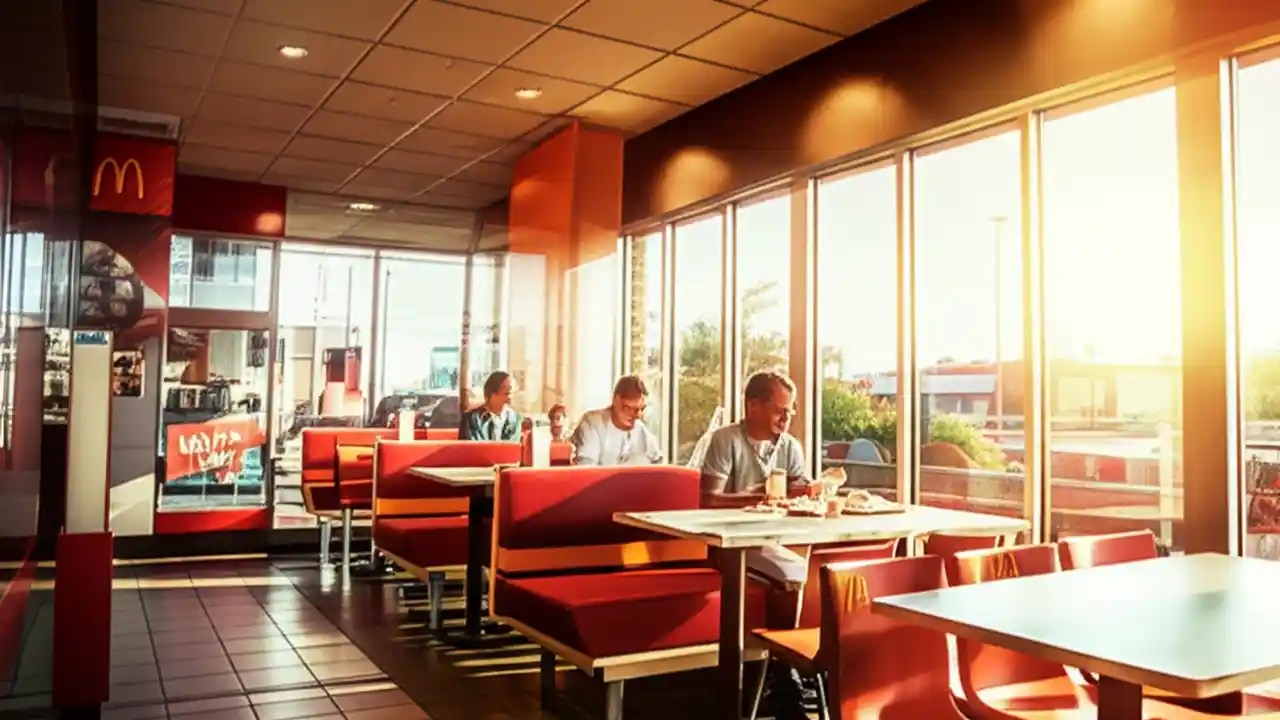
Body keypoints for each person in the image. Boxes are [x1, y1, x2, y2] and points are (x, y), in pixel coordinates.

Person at [700, 370, 812, 720]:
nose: (787, 418)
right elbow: (708, 500)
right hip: (730, 547)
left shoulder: (790, 447)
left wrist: (810, 492)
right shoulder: (725, 440)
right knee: (795, 575)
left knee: (818, 573)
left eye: (790, 411)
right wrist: (760, 498)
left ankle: (789, 669)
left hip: (775, 544)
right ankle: (785, 673)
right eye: (780, 410)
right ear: (753, 406)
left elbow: (799, 493)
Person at [570, 376, 663, 466]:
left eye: (641, 409)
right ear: (615, 400)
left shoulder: (642, 430)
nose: (638, 416)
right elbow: (586, 469)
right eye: (629, 408)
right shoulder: (592, 423)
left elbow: (658, 464)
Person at [459, 371, 521, 441]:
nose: (509, 400)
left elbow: (512, 445)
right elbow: (472, 446)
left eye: (512, 394)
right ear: (492, 395)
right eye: (506, 394)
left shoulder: (514, 419)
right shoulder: (471, 419)